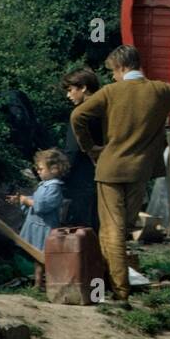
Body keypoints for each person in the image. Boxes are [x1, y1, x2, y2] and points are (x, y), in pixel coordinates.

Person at [71, 43, 170, 303]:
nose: (113, 76)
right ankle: (111, 283)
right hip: (140, 172)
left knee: (111, 230)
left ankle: (120, 292)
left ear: (122, 67)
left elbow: (77, 116)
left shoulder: (110, 91)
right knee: (121, 229)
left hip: (110, 169)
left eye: (113, 71)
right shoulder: (160, 90)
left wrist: (91, 148)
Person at [60, 68, 103, 230]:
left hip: (81, 176)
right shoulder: (105, 108)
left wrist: (62, 174)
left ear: (83, 87)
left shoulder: (80, 114)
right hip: (103, 172)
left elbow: (73, 150)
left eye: (70, 90)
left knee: (79, 228)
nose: (68, 95)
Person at [8, 149, 70, 252]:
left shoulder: (54, 188)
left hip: (44, 229)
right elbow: (35, 200)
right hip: (34, 225)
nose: (38, 171)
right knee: (30, 253)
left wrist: (27, 201)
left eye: (41, 169)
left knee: (40, 254)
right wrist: (20, 200)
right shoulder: (43, 186)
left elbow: (43, 206)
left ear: (54, 169)